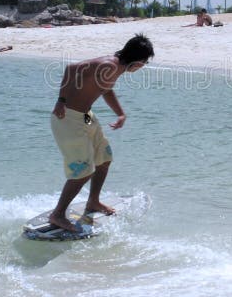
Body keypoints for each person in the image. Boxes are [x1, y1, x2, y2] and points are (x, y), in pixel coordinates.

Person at [48, 33, 154, 233]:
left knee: (104, 158)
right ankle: (58, 214)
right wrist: (61, 100)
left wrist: (121, 114)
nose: (142, 66)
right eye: (144, 63)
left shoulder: (116, 69)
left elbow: (106, 90)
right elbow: (71, 69)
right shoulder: (109, 65)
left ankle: (93, 201)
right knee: (83, 170)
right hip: (68, 118)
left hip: (85, 116)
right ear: (138, 61)